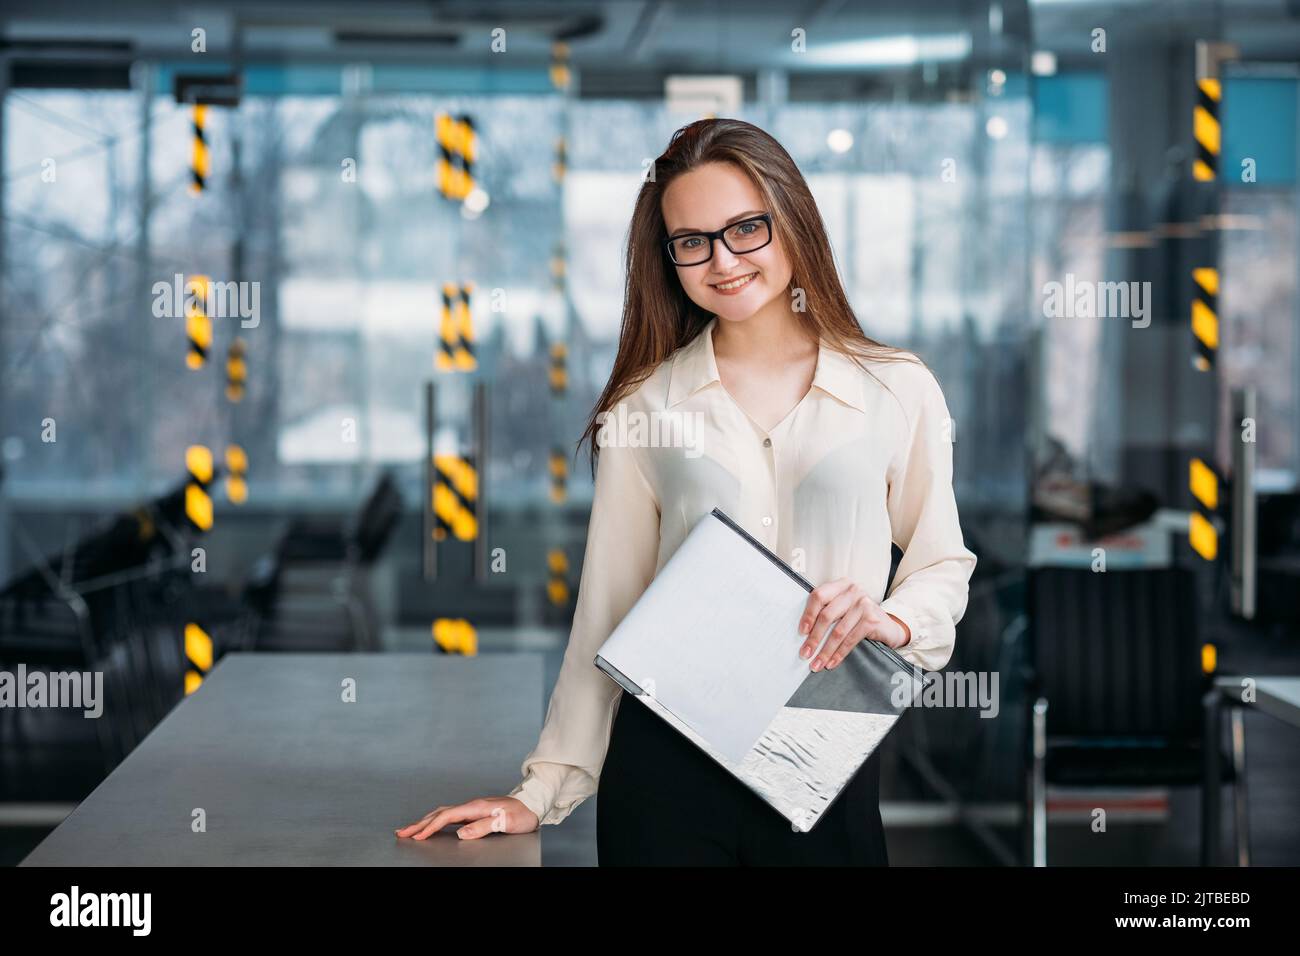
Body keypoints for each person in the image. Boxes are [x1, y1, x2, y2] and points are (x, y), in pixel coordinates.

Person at [396, 117, 976, 865]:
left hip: (824, 753)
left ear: (792, 221)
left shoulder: (895, 387)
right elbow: (609, 609)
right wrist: (538, 792)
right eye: (692, 241)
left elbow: (941, 562)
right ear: (669, 256)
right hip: (666, 769)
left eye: (746, 229)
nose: (723, 261)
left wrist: (888, 619)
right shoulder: (646, 405)